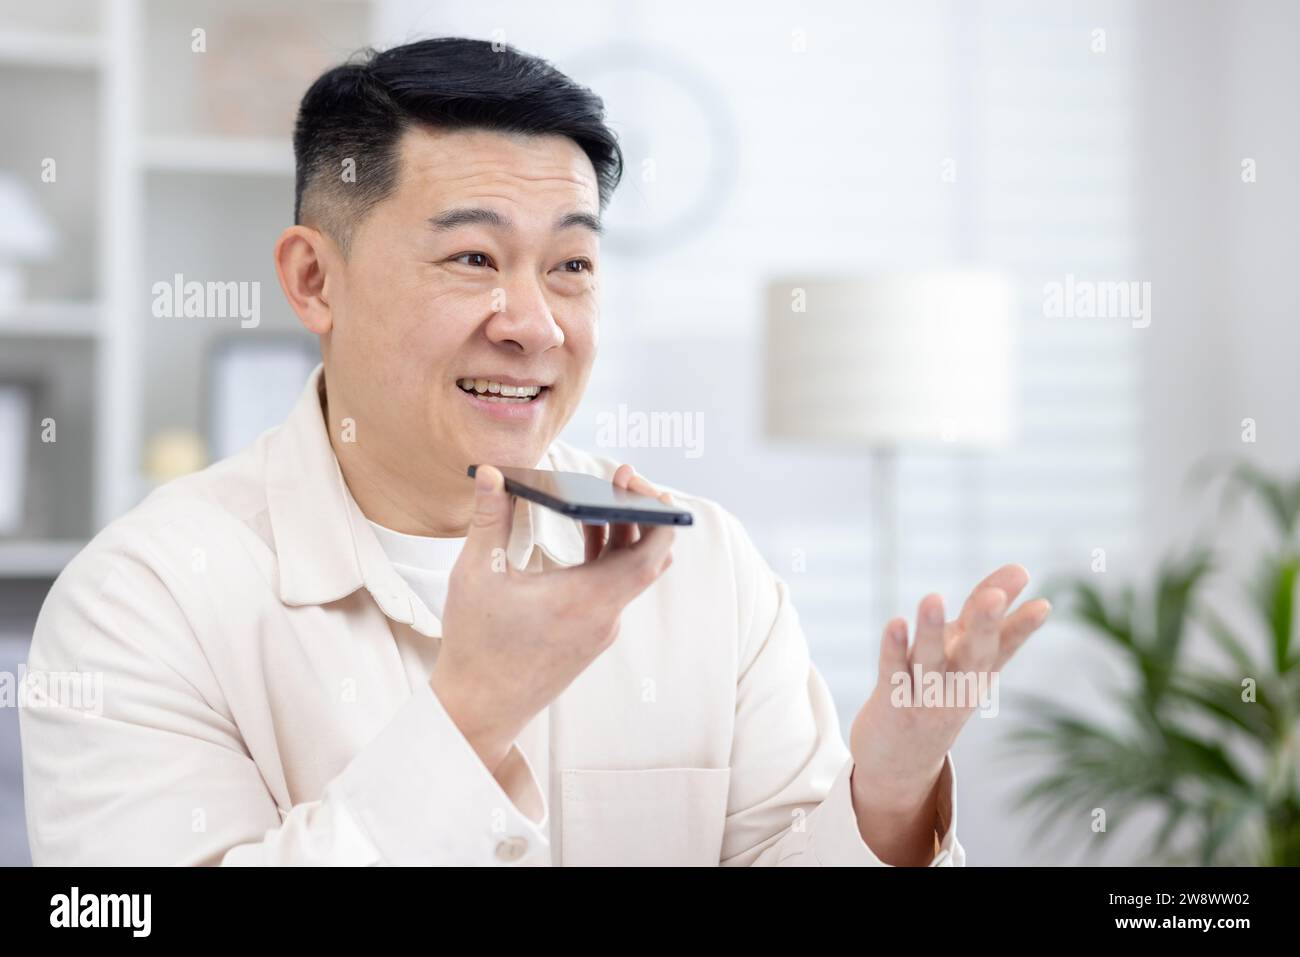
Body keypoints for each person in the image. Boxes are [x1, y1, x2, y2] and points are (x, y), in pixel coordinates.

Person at [20, 37, 1050, 866]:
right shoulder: (142, 599)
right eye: (472, 257)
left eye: (570, 265)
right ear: (314, 281)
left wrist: (885, 799)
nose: (533, 324)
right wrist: (473, 713)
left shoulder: (710, 573)